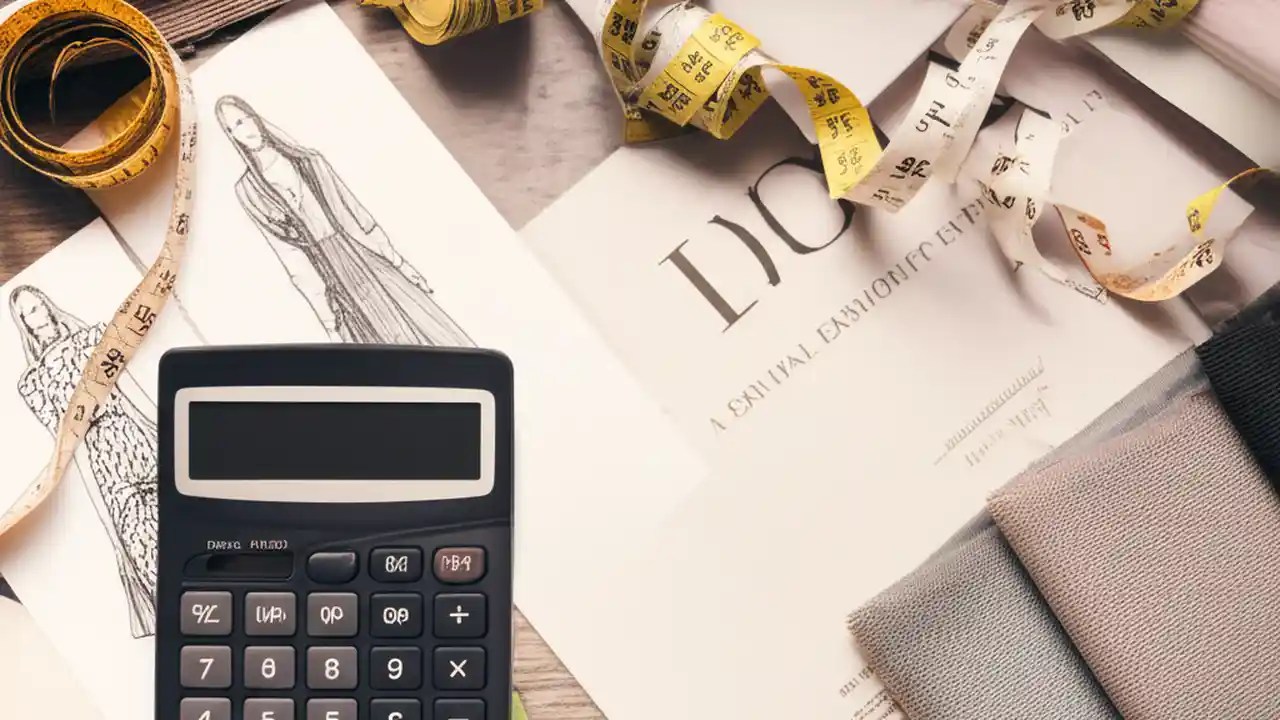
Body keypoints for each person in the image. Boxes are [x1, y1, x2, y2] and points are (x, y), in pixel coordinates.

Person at [215, 94, 474, 346]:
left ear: (255, 117)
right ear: (230, 135)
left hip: (365, 256)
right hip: (332, 280)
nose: (245, 128)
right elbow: (292, 259)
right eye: (234, 125)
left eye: (245, 117)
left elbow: (357, 215)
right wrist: (328, 321)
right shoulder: (250, 191)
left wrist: (400, 262)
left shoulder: (309, 160)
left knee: (424, 329)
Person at [8, 285, 157, 638]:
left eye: (36, 307)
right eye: (25, 315)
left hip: (132, 432)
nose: (35, 317)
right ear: (22, 325)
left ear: (47, 304)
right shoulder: (34, 381)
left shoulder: (93, 338)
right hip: (100, 458)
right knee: (136, 531)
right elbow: (57, 428)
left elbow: (127, 386)